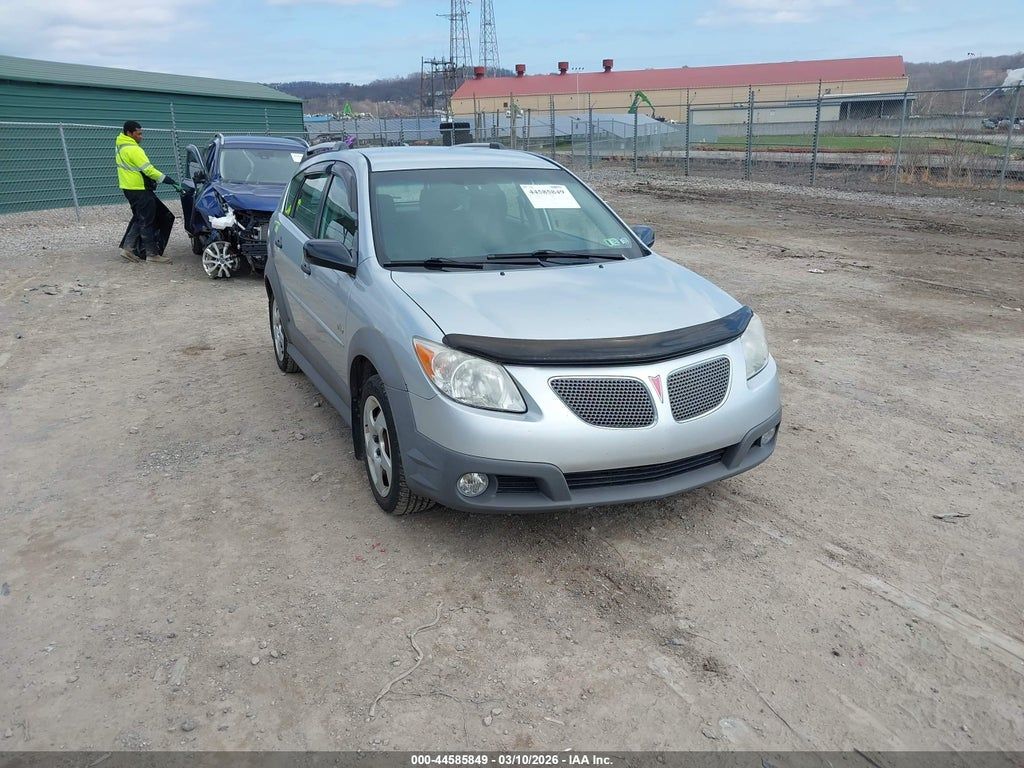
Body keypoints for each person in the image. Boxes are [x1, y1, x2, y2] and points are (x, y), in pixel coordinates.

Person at [116, 120, 178, 264]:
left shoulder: (120, 146)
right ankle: (152, 255)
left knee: (140, 218)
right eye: (138, 134)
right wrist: (169, 180)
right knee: (147, 221)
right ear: (129, 133)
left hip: (128, 188)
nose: (141, 137)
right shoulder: (134, 149)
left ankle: (128, 249)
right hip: (140, 189)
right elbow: (149, 170)